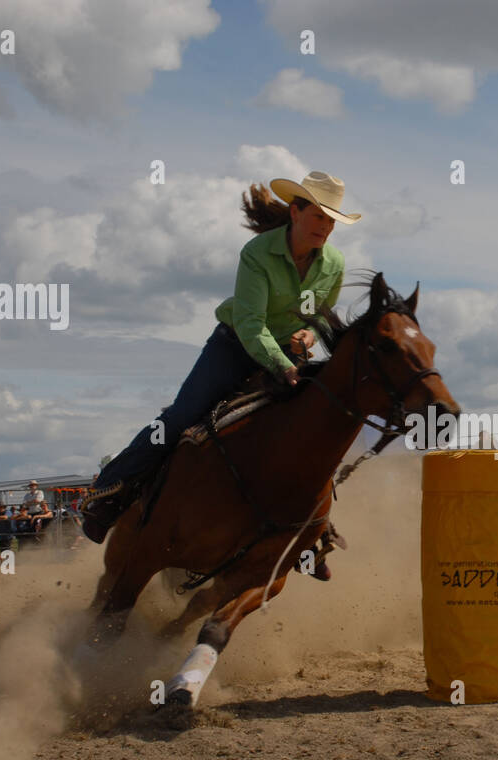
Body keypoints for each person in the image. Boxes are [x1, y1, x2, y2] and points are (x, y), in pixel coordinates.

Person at [81, 170, 359, 550]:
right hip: (235, 348)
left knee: (309, 425)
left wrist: (308, 335)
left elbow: (320, 315)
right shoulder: (258, 254)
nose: (325, 228)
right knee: (182, 416)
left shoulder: (334, 264)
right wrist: (284, 365)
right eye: (318, 216)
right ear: (295, 212)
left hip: (288, 356)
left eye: (331, 221)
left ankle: (310, 528)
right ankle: (108, 494)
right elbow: (250, 323)